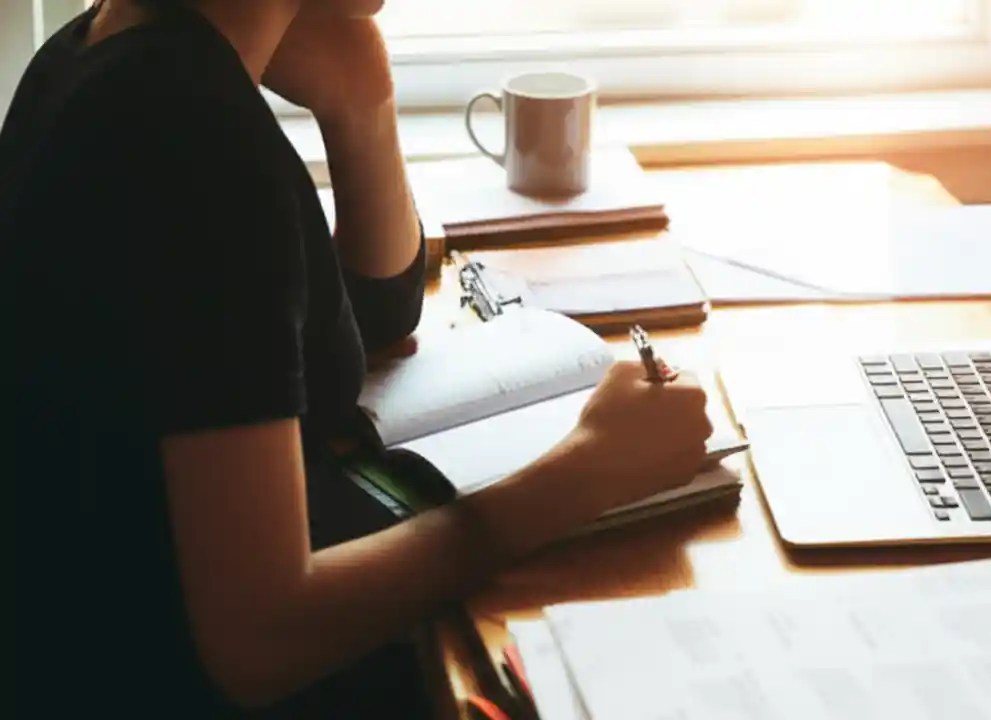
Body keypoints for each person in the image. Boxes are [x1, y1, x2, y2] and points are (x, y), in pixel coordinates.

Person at [4, 0, 713, 715]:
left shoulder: (103, 48)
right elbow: (261, 637)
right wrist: (585, 471)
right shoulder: (194, 141)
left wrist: (363, 103)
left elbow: (363, 325)